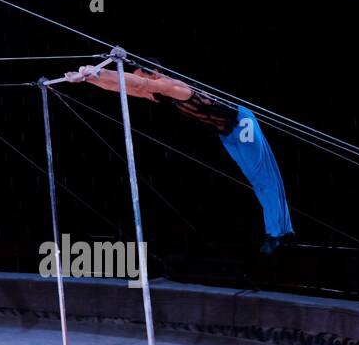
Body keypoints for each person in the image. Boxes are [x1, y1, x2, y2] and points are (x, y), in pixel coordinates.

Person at [63, 62, 295, 254]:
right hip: (226, 132)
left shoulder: (174, 87)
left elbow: (138, 83)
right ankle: (279, 230)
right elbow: (126, 88)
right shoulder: (158, 91)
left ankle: (279, 233)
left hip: (241, 121)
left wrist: (101, 71)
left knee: (263, 177)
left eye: (141, 76)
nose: (143, 86)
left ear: (152, 72)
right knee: (256, 181)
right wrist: (88, 79)